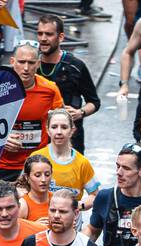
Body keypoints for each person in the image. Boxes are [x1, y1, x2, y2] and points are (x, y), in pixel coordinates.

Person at [0, 43, 64, 183]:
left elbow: (62, 124)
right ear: (12, 62)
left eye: (31, 63)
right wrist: (0, 139)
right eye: (21, 62)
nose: (26, 68)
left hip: (36, 166)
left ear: (38, 64)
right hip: (1, 165)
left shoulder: (50, 89)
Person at [35, 14, 101, 154]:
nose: (43, 39)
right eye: (40, 33)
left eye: (49, 34)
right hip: (38, 137)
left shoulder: (75, 66)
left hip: (70, 139)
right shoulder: (30, 65)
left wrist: (80, 112)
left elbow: (94, 102)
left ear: (61, 37)